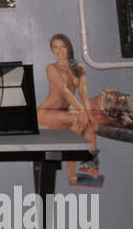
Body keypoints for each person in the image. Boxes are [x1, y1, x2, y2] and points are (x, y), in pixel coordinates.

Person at [35, 33, 101, 184]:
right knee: (78, 121)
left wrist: (88, 113)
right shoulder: (51, 68)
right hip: (46, 113)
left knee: (90, 124)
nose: (59, 51)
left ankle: (92, 168)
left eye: (62, 47)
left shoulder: (78, 68)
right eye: (55, 47)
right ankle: (71, 174)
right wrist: (81, 112)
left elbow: (83, 92)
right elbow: (65, 91)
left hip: (64, 113)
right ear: (51, 50)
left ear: (68, 47)